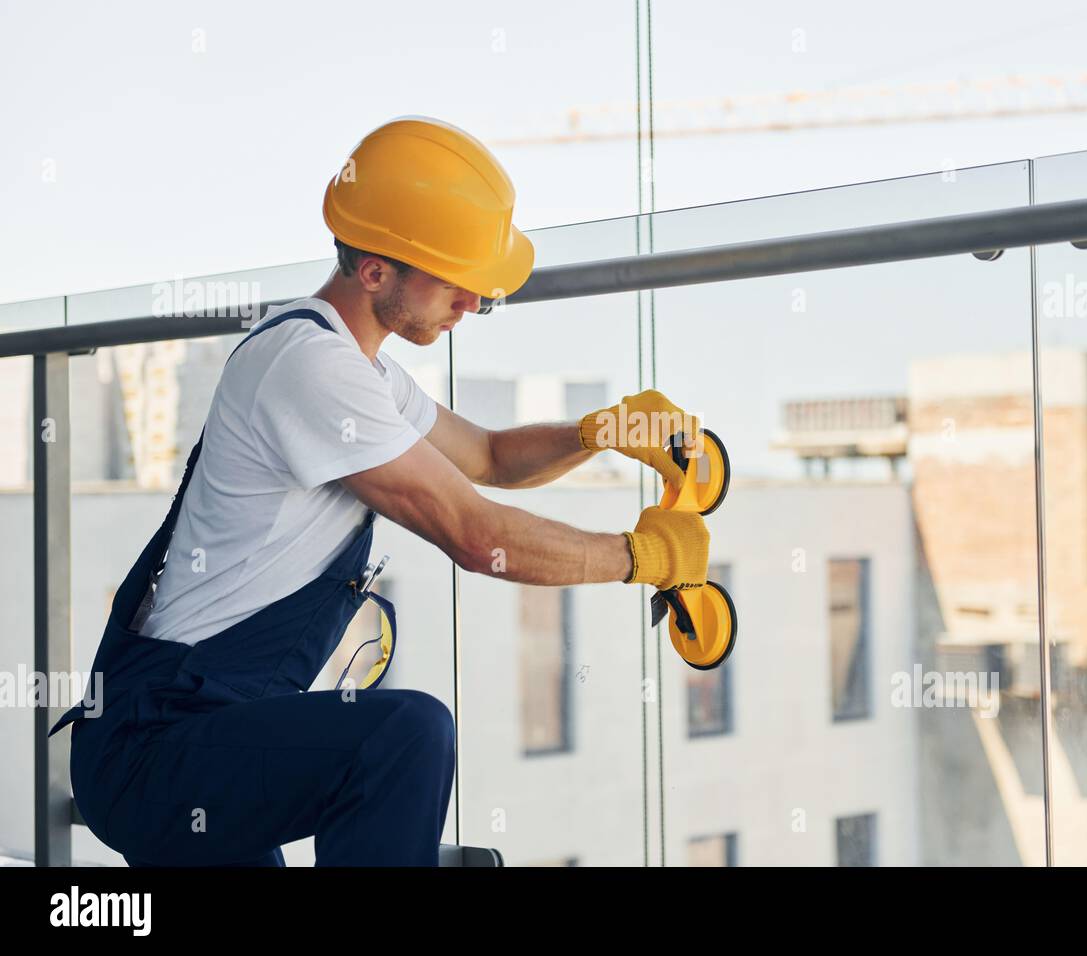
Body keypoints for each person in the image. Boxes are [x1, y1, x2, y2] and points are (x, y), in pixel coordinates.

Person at [47, 116, 711, 866]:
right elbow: (475, 533)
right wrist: (642, 556)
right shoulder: (310, 369)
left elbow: (487, 457)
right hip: (159, 751)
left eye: (478, 292)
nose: (469, 305)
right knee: (404, 733)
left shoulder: (358, 371)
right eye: (454, 285)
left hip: (215, 737)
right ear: (374, 271)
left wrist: (598, 432)